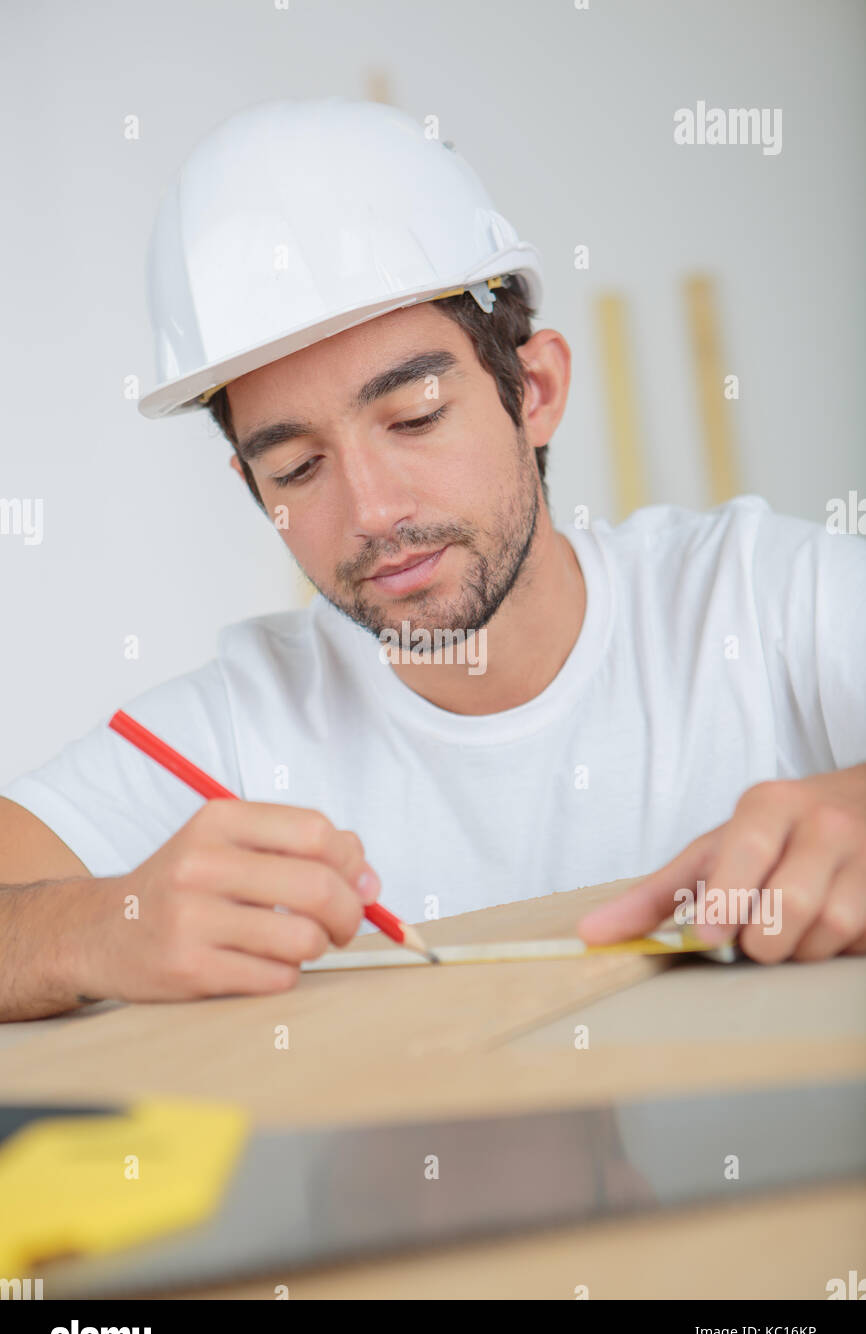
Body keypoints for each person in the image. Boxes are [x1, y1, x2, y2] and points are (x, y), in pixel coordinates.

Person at [1, 99, 864, 1023]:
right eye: (296, 467)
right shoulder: (229, 733)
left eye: (414, 419)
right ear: (256, 489)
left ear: (534, 392)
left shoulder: (766, 599)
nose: (374, 513)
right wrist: (97, 926)